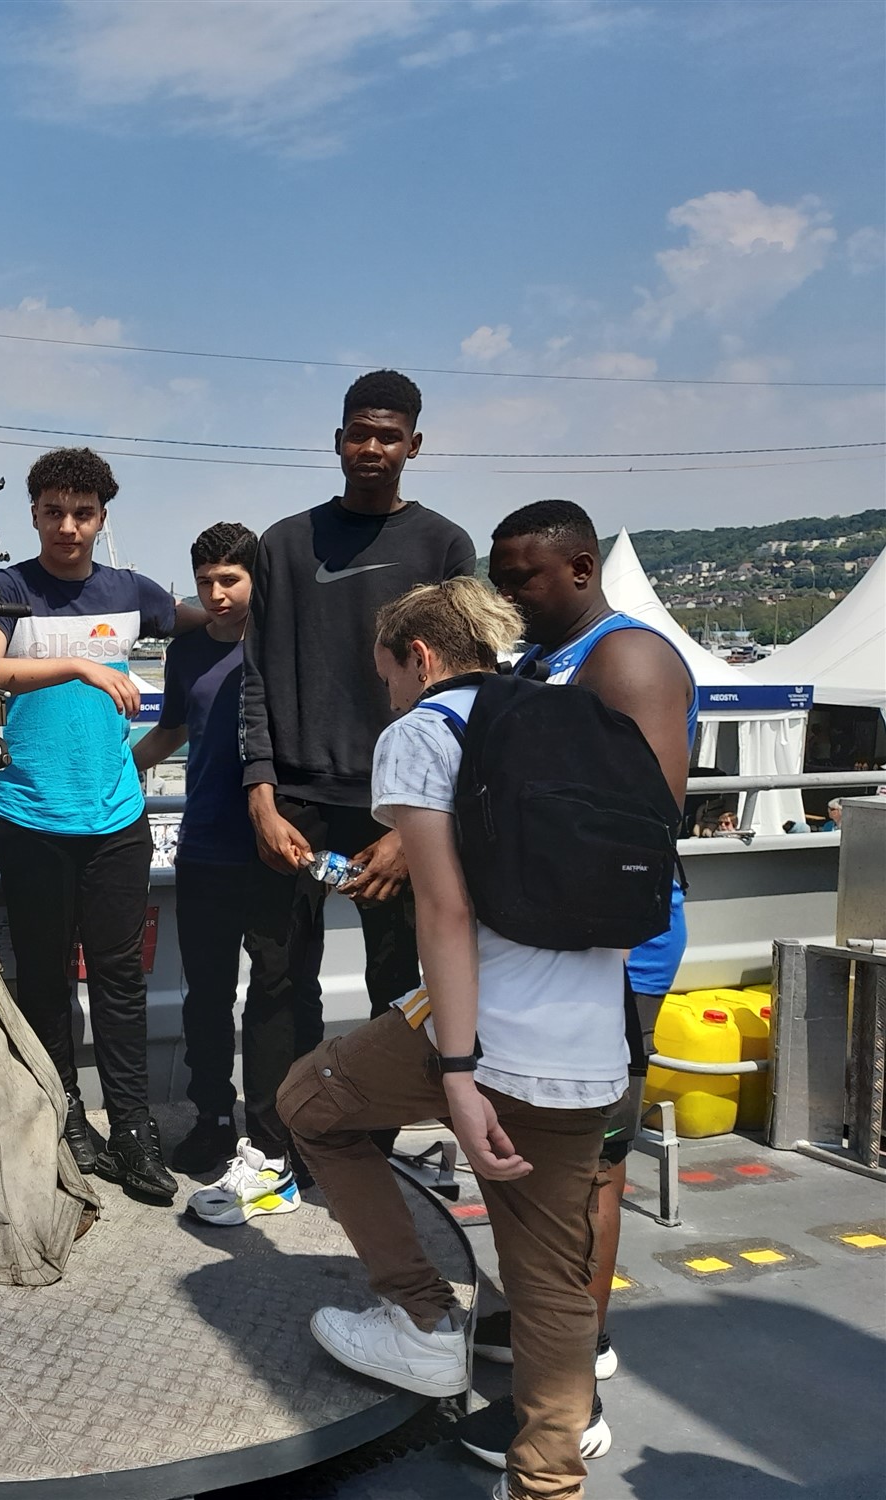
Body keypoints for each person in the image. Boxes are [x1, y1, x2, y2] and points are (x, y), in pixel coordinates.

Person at [279, 578, 627, 1500]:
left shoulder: (425, 732)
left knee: (311, 1102)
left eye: (387, 673)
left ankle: (423, 1323)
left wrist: (461, 1072)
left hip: (483, 1029)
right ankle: (547, 1483)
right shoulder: (572, 720)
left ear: (420, 657)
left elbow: (445, 909)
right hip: (594, 1038)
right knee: (551, 1275)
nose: (386, 691)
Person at [470, 499, 698, 1469]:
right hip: (539, 961)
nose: (507, 594)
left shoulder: (628, 659)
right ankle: (542, 1316)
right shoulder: (534, 663)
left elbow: (639, 830)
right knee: (533, 1156)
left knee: (590, 1167)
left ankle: (577, 1370)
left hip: (614, 967)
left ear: (576, 566)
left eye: (520, 576)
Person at [239, 371, 476, 1168]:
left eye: (388, 435)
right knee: (276, 980)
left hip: (396, 809)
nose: (371, 448)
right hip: (295, 803)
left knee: (401, 986)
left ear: (414, 444)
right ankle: (274, 1149)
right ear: (336, 438)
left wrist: (414, 833)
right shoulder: (283, 544)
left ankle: (374, 1149)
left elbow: (462, 693)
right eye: (358, 433)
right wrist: (262, 797)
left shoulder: (443, 546)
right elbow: (258, 678)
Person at [0, 447, 206, 1206]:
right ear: (35, 513)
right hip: (31, 814)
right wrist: (80, 666)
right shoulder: (8, 589)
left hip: (116, 815)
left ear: (103, 517)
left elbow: (214, 625)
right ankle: (66, 1115)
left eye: (83, 513)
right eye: (53, 512)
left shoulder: (134, 592)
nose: (68, 527)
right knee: (43, 978)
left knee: (118, 978)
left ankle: (135, 1130)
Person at [130, 521, 305, 1213]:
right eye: (205, 582)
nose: (216, 594)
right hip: (204, 841)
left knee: (277, 992)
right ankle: (212, 1119)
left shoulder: (282, 644)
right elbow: (173, 728)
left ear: (256, 579)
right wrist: (119, 767)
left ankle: (271, 1132)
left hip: (274, 844)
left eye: (229, 580)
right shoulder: (188, 649)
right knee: (207, 995)